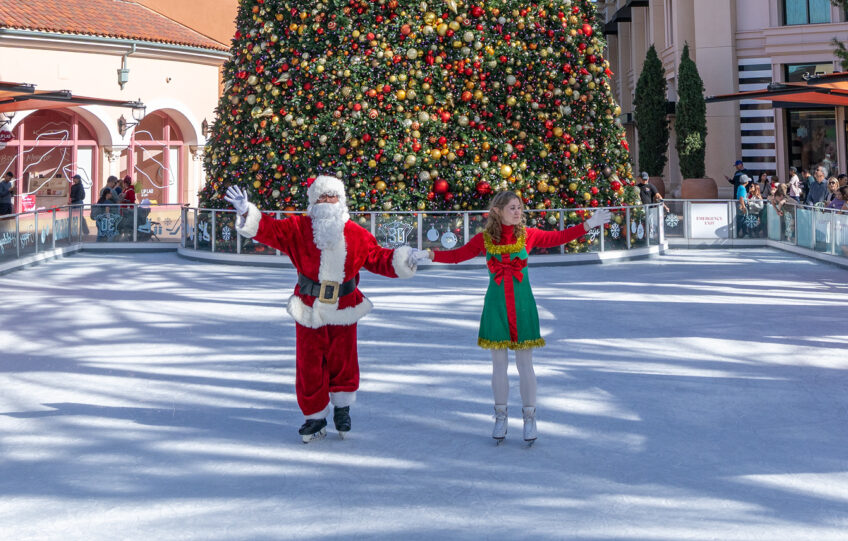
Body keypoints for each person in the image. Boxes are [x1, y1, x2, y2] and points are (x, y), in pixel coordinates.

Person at [225, 174, 422, 442]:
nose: (327, 201)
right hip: (309, 309)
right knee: (309, 365)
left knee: (344, 361)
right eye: (322, 197)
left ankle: (342, 408)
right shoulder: (298, 228)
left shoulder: (357, 234)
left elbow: (378, 258)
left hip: (345, 308)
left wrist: (403, 258)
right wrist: (248, 212)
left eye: (332, 196)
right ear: (313, 202)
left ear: (340, 201)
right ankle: (315, 417)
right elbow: (270, 229)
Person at [431, 189, 608, 444]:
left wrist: (588, 224)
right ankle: (500, 416)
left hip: (523, 306)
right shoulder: (484, 240)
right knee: (499, 365)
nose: (517, 212)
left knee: (525, 364)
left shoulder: (528, 235)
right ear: (497, 211)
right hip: (496, 306)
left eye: (519, 207)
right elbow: (457, 255)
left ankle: (529, 418)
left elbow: (559, 237)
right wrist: (428, 255)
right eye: (512, 207)